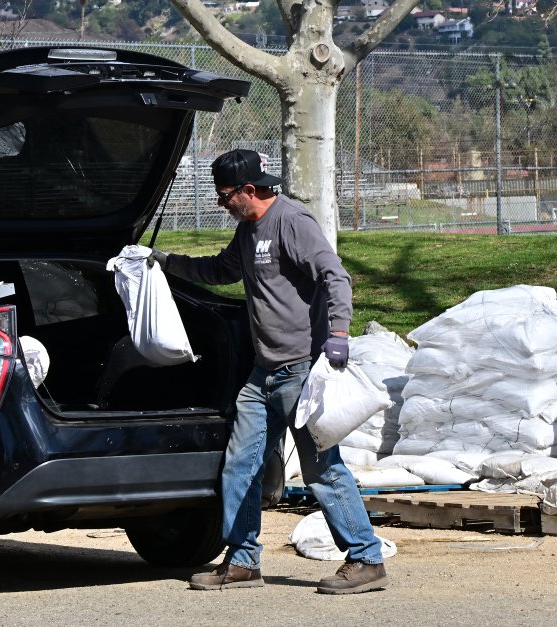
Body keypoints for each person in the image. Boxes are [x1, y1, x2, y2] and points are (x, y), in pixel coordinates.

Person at [149, 149, 387, 595]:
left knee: (322, 469)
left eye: (225, 195)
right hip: (263, 375)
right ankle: (243, 562)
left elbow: (335, 276)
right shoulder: (247, 230)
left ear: (249, 189)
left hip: (302, 372)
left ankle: (366, 559)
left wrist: (339, 332)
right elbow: (219, 269)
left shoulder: (291, 222)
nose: (221, 203)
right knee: (240, 465)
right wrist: (166, 261)